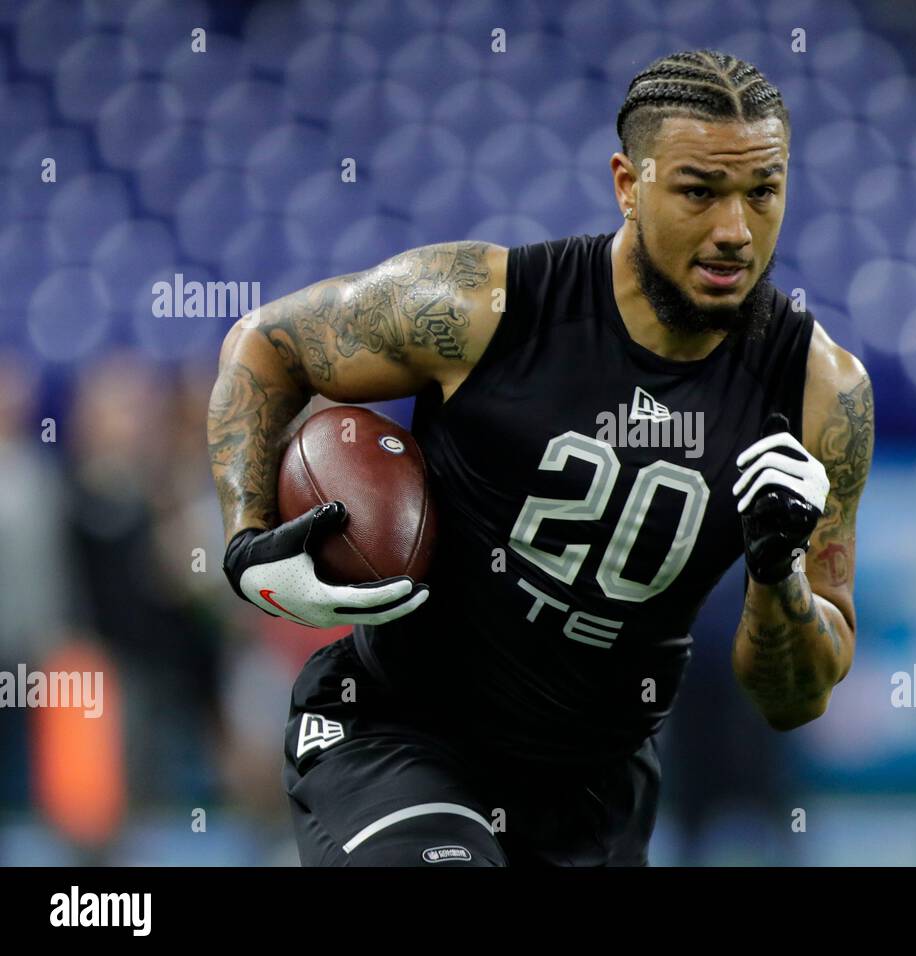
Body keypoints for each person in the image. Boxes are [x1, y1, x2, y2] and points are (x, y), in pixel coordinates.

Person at [207, 50, 874, 866]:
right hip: (402, 736)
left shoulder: (820, 394)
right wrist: (247, 539)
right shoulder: (485, 308)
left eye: (762, 192)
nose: (734, 230)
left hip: (594, 791)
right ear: (629, 184)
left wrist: (778, 576)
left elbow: (793, 700)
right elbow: (265, 346)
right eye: (700, 191)